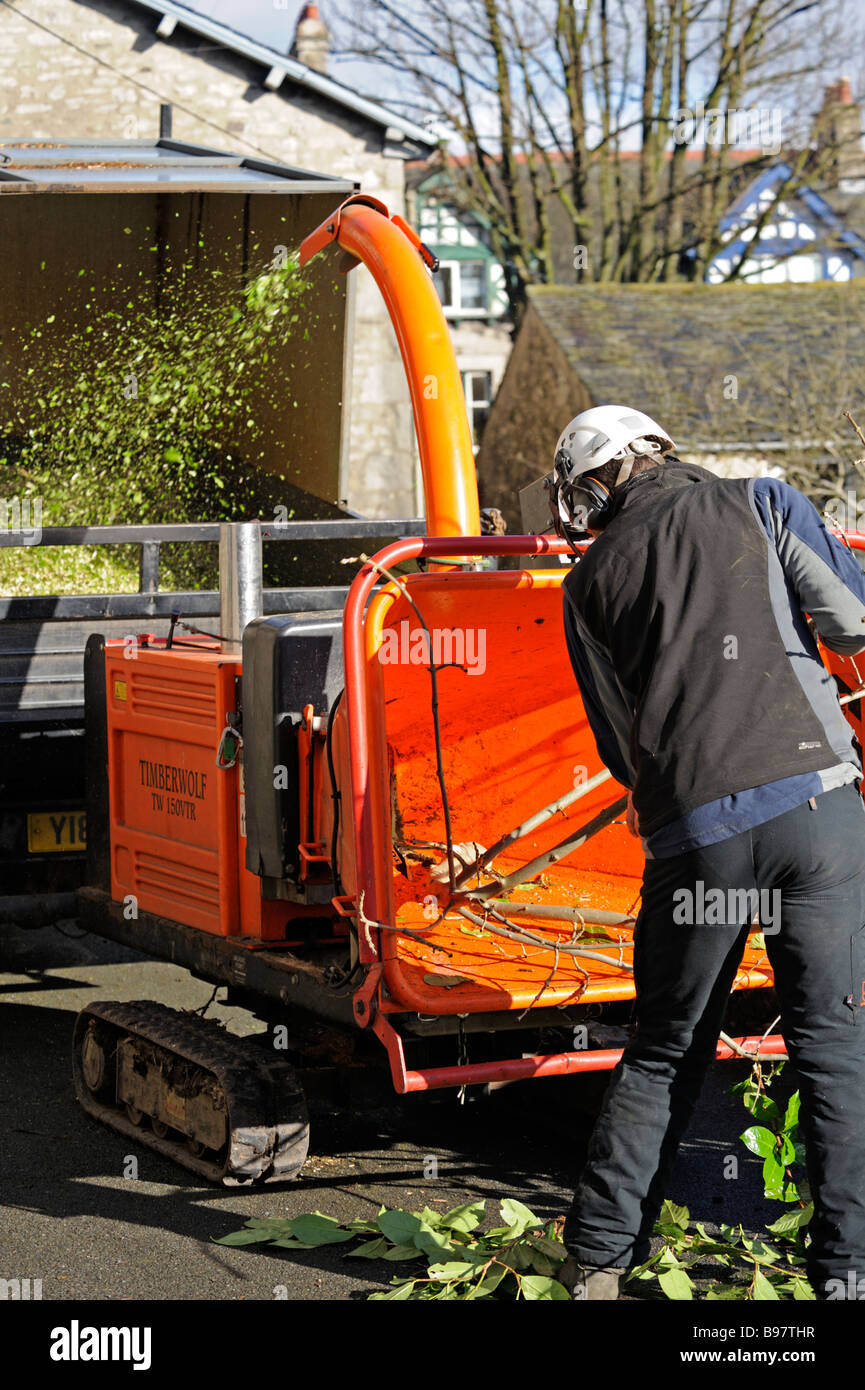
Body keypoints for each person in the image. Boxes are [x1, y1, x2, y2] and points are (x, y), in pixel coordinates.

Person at [552, 404, 865, 1302]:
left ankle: (599, 1263)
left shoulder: (585, 586)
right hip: (816, 815)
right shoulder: (762, 502)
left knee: (662, 1049)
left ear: (600, 484)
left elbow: (622, 752)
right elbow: (848, 623)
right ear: (658, 453)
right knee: (832, 1047)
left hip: (698, 841)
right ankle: (844, 1275)